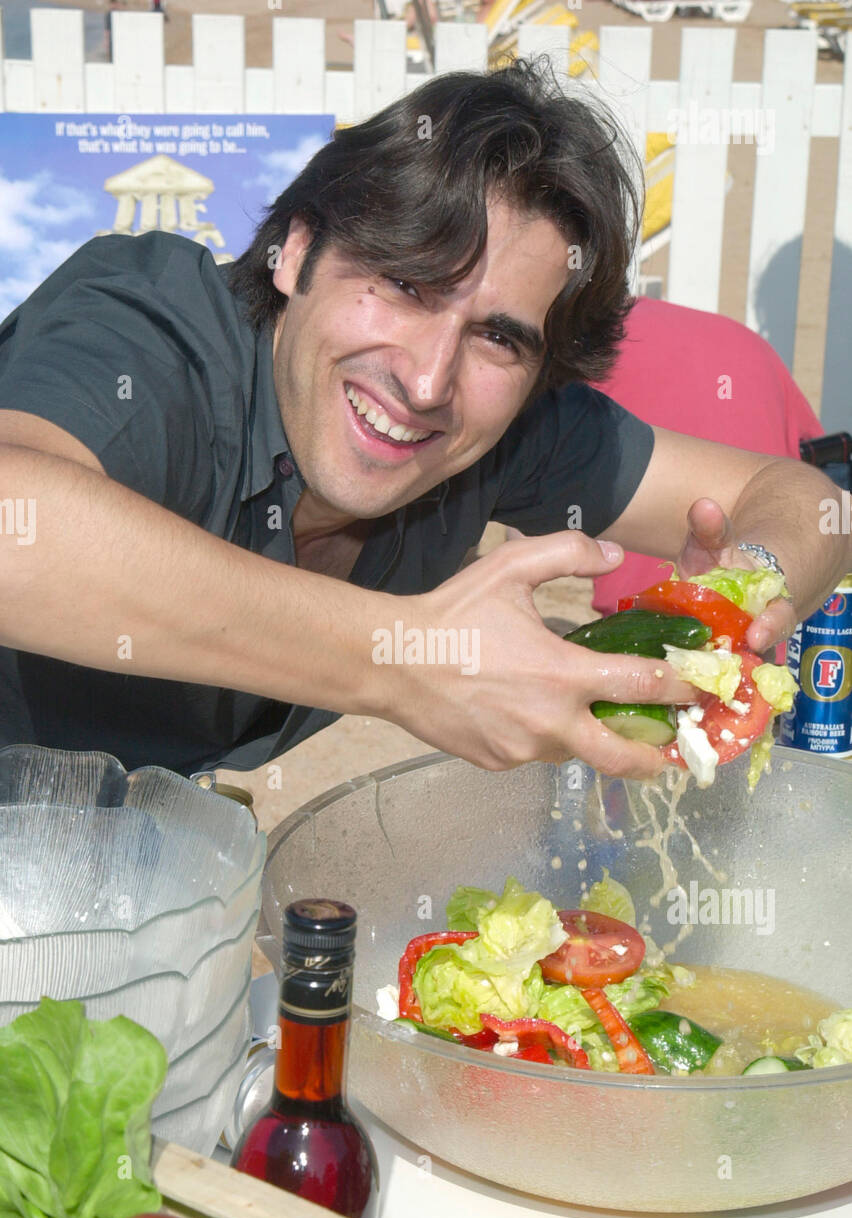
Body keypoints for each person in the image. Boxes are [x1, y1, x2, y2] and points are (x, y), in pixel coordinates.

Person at [0, 60, 848, 782]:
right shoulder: (151, 330)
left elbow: (810, 500)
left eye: (498, 337)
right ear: (296, 251)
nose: (428, 379)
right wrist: (407, 658)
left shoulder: (504, 427)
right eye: (405, 285)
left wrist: (749, 589)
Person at [590, 295, 824, 617]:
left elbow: (530, 513)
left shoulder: (586, 340)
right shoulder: (749, 342)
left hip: (645, 619)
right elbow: (814, 459)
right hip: (772, 609)